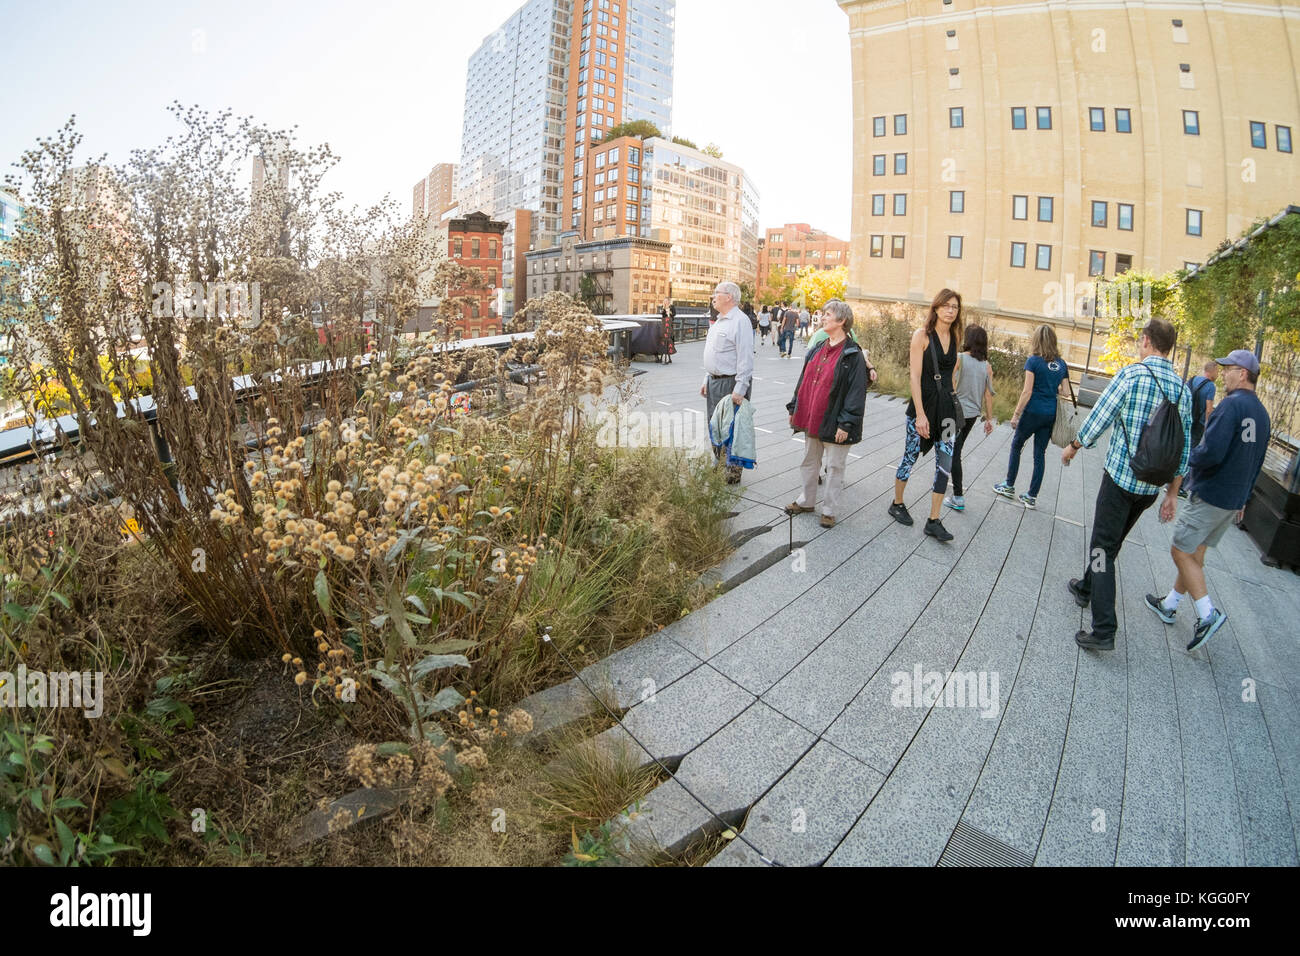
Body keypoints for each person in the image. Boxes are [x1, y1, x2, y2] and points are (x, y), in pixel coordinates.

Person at [1062, 318, 1192, 651]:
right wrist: (1172, 495)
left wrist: (1074, 446)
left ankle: (1104, 627)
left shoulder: (1132, 375)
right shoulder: (1182, 390)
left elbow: (1099, 418)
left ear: (1146, 341)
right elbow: (1184, 447)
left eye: (1140, 340)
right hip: (1150, 489)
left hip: (1120, 479)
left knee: (1102, 547)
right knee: (1112, 542)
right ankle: (1087, 587)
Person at [1145, 350, 1270, 651]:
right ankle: (1170, 604)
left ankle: (1207, 615)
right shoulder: (1261, 414)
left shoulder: (1231, 407)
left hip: (1212, 494)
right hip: (1232, 499)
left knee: (1180, 550)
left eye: (1228, 369)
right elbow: (1257, 460)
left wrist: (1184, 458)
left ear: (1243, 374)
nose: (1223, 373)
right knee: (1195, 554)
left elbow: (1211, 452)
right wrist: (1244, 498)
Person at [784, 299, 869, 528]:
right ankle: (807, 500)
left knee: (834, 466)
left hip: (836, 421)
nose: (823, 318)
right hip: (811, 416)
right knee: (809, 461)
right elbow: (803, 381)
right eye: (823, 314)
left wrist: (847, 424)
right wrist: (794, 406)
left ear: (841, 321)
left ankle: (829, 510)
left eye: (827, 314)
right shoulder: (817, 349)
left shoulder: (853, 355)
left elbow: (856, 393)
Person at [889, 289, 963, 542]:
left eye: (955, 307)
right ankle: (897, 503)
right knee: (910, 456)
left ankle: (933, 520)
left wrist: (953, 403)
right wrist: (920, 415)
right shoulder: (922, 336)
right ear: (936, 308)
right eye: (946, 306)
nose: (951, 310)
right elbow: (914, 377)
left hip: (947, 411)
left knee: (945, 465)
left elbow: (953, 375)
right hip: (922, 408)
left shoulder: (955, 337)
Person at [992, 325, 1072, 509]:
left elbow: (1027, 391)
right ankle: (1031, 496)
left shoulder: (1033, 361)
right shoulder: (1062, 364)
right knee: (1039, 455)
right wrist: (1053, 386)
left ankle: (1009, 485)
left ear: (1036, 340)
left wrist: (1016, 414)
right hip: (1050, 414)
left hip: (1032, 412)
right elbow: (1066, 392)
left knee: (1017, 445)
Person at [700, 281, 754, 484]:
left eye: (717, 293)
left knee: (732, 427)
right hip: (714, 381)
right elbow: (713, 353)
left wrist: (740, 389)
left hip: (731, 383)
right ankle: (719, 460)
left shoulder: (740, 321)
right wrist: (706, 378)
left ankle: (732, 471)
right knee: (714, 424)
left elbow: (745, 358)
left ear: (729, 297)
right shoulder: (719, 321)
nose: (713, 296)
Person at [944, 325, 996, 513]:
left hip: (954, 412)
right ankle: (947, 485)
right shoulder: (987, 366)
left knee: (950, 450)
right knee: (954, 449)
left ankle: (957, 495)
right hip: (973, 415)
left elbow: (949, 382)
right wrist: (989, 420)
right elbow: (988, 395)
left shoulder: (960, 358)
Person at [659, 299, 676, 364]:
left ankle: (668, 358)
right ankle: (662, 357)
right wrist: (663, 311)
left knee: (669, 340)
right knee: (663, 340)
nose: (666, 302)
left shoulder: (672, 307)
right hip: (664, 325)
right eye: (665, 301)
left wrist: (670, 312)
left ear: (668, 302)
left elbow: (674, 314)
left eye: (667, 301)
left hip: (670, 324)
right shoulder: (662, 307)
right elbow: (662, 316)